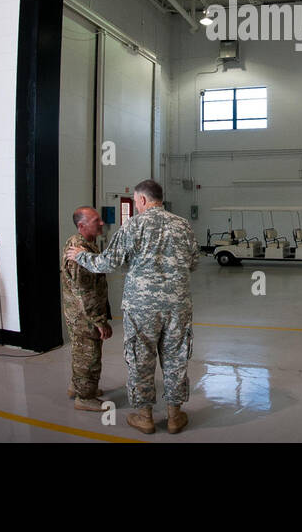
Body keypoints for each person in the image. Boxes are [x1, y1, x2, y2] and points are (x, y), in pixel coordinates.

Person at [66, 179, 198, 434]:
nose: (137, 206)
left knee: (141, 358)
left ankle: (144, 416)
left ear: (143, 200)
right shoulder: (182, 225)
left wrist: (80, 255)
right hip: (177, 306)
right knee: (176, 359)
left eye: (137, 201)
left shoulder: (133, 226)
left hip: (141, 308)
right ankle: (174, 416)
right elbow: (192, 262)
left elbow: (107, 263)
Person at [61, 206, 112, 412]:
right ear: (82, 226)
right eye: (96, 221)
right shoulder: (77, 251)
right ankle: (85, 397)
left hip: (83, 313)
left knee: (82, 352)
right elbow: (84, 293)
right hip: (84, 315)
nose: (101, 223)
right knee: (89, 356)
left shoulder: (87, 246)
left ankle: (77, 387)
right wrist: (100, 321)